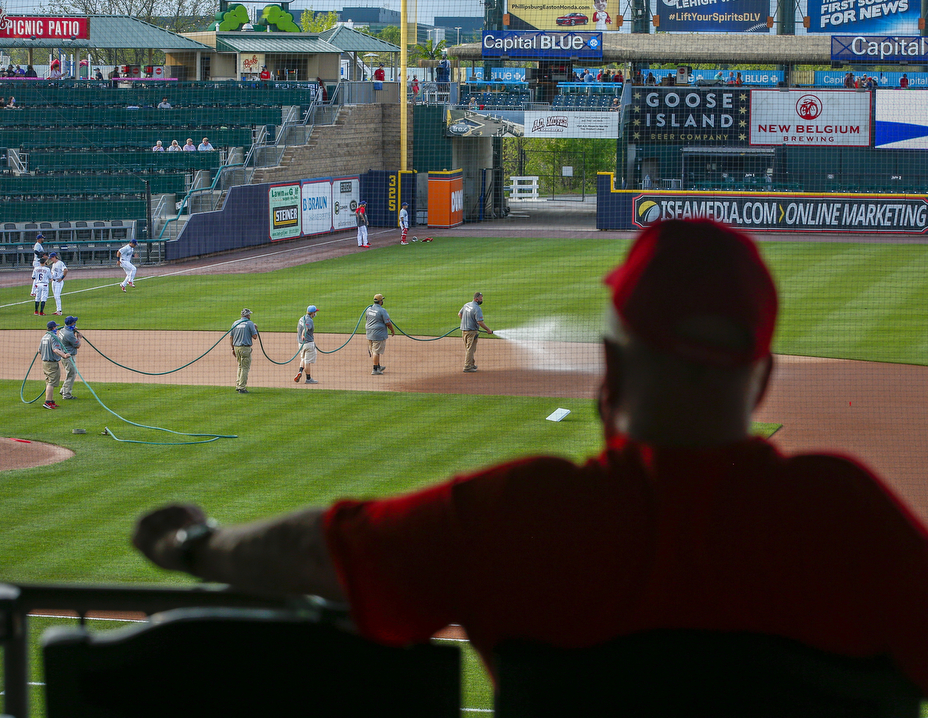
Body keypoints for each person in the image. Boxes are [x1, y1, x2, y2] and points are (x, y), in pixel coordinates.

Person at [133, 218, 928, 695]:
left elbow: (323, 550)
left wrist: (195, 543)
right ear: (761, 380)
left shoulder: (527, 511)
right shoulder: (847, 517)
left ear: (611, 373)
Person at [458, 292, 493, 373]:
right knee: (470, 349)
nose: (482, 300)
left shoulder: (466, 305)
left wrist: (466, 322)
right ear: (476, 299)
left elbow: (459, 314)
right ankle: (467, 367)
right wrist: (488, 329)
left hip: (464, 330)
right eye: (481, 299)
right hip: (471, 332)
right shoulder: (477, 308)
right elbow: (480, 322)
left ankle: (471, 364)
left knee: (470, 348)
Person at [39, 320, 69, 410]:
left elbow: (39, 351)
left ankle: (51, 400)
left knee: (49, 381)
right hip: (51, 363)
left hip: (45, 362)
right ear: (53, 328)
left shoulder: (44, 337)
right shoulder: (54, 337)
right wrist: (64, 355)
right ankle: (48, 402)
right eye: (55, 327)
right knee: (51, 382)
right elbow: (55, 350)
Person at [230, 308, 259, 394]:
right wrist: (255, 329)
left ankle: (238, 384)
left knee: (240, 366)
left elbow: (231, 337)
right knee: (245, 368)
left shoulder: (235, 323)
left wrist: (232, 348)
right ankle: (242, 387)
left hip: (236, 347)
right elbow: (255, 337)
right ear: (248, 315)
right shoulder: (250, 323)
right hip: (245, 348)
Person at [365, 293, 394, 376]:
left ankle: (378, 366)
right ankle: (375, 369)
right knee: (376, 352)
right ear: (380, 301)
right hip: (378, 334)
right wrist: (392, 330)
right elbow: (388, 323)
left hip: (369, 333)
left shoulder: (368, 309)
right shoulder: (382, 310)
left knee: (375, 350)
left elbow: (367, 319)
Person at [57, 316, 81, 400]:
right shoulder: (69, 334)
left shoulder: (63, 330)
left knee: (70, 373)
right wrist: (78, 337)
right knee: (72, 374)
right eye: (74, 322)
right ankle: (66, 394)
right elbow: (77, 345)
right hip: (68, 357)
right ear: (71, 323)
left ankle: (63, 390)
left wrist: (73, 330)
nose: (75, 323)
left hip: (64, 354)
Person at [294, 305, 318, 385]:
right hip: (308, 343)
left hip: (300, 343)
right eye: (315, 312)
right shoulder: (309, 320)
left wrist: (300, 337)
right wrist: (303, 335)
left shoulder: (302, 318)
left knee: (302, 358)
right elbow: (306, 329)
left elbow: (298, 329)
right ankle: (308, 378)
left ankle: (300, 371)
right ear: (313, 313)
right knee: (307, 361)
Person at [30, 233, 45, 297]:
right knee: (36, 277)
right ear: (39, 239)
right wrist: (41, 255)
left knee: (38, 277)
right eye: (42, 238)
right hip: (37, 262)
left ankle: (36, 291)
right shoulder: (37, 245)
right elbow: (36, 252)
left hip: (39, 262)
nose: (43, 239)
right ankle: (33, 292)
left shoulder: (39, 245)